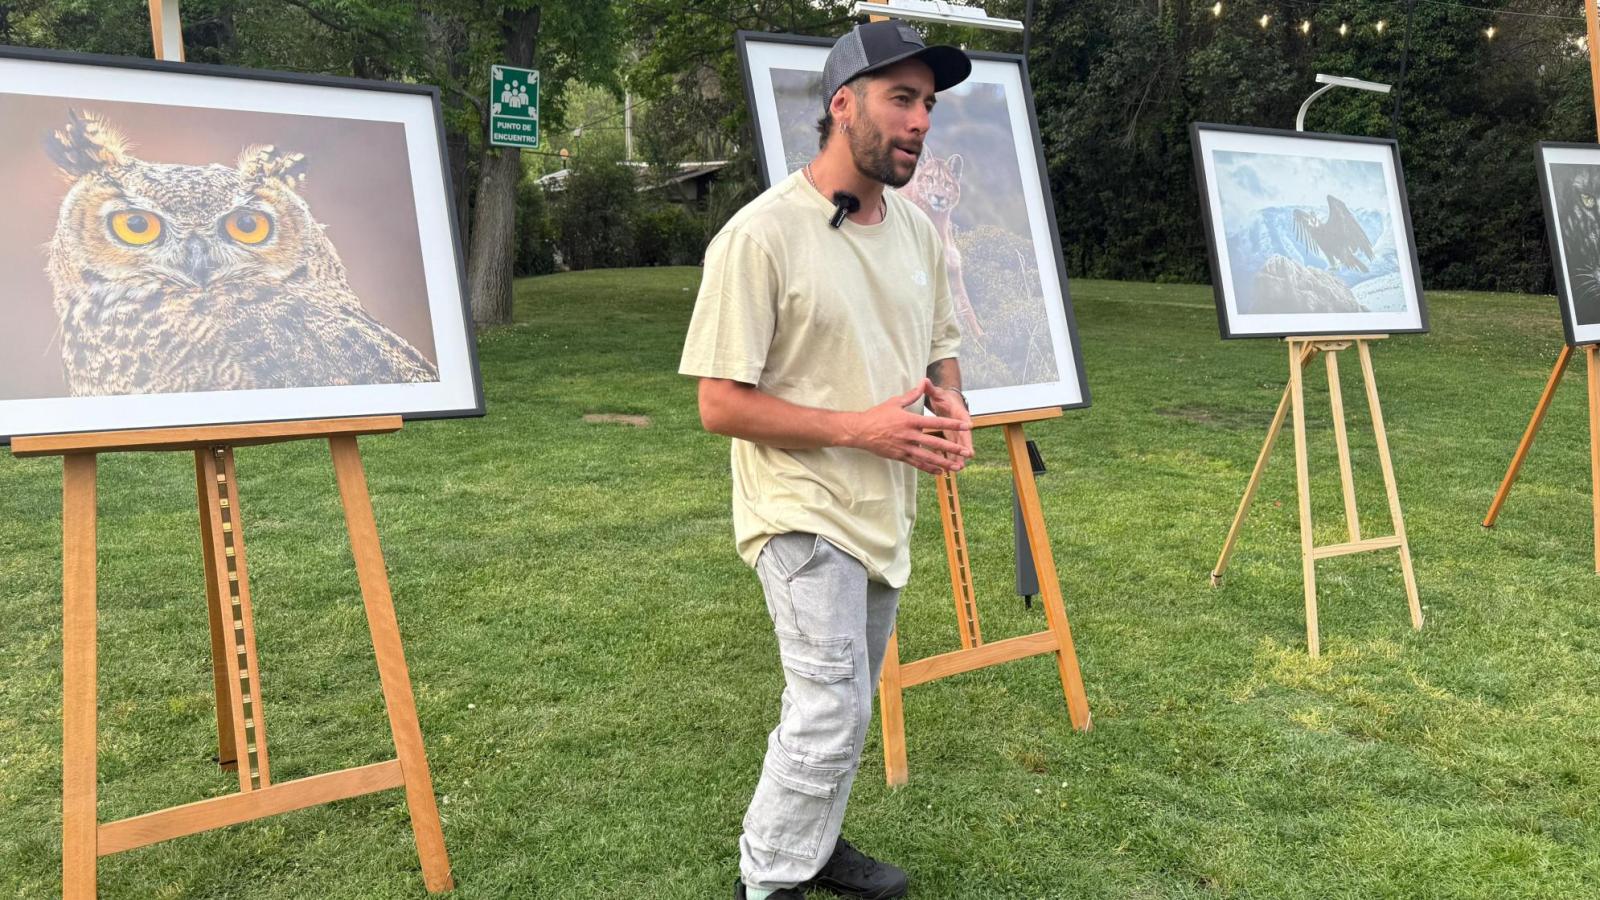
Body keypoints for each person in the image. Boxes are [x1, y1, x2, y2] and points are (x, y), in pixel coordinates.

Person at [679, 19, 974, 900]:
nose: (920, 121)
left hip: (883, 505)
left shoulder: (918, 231)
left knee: (846, 708)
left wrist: (949, 397)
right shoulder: (759, 237)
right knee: (828, 712)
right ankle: (768, 882)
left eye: (927, 103)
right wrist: (862, 431)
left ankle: (816, 843)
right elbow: (717, 404)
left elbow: (939, 340)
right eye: (901, 100)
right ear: (842, 106)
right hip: (799, 507)